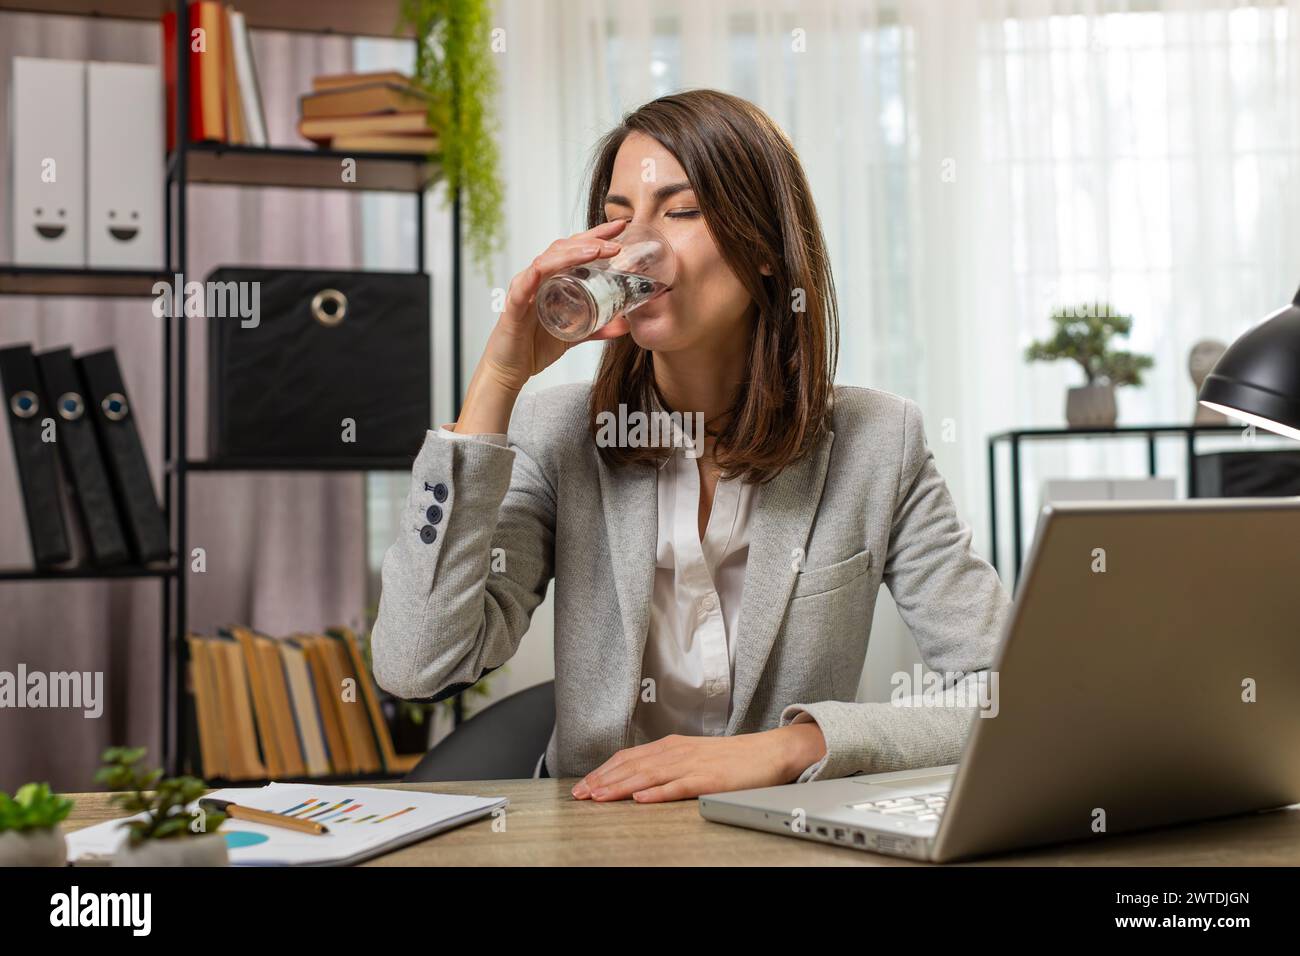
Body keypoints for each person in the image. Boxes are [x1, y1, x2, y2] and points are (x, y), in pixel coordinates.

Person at [371, 89, 1010, 803]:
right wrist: (497, 380)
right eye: (617, 217)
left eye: (680, 211)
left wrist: (794, 747)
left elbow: (1002, 697)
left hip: (781, 843)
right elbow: (417, 663)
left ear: (766, 249)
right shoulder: (557, 436)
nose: (635, 247)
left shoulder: (878, 442)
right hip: (593, 839)